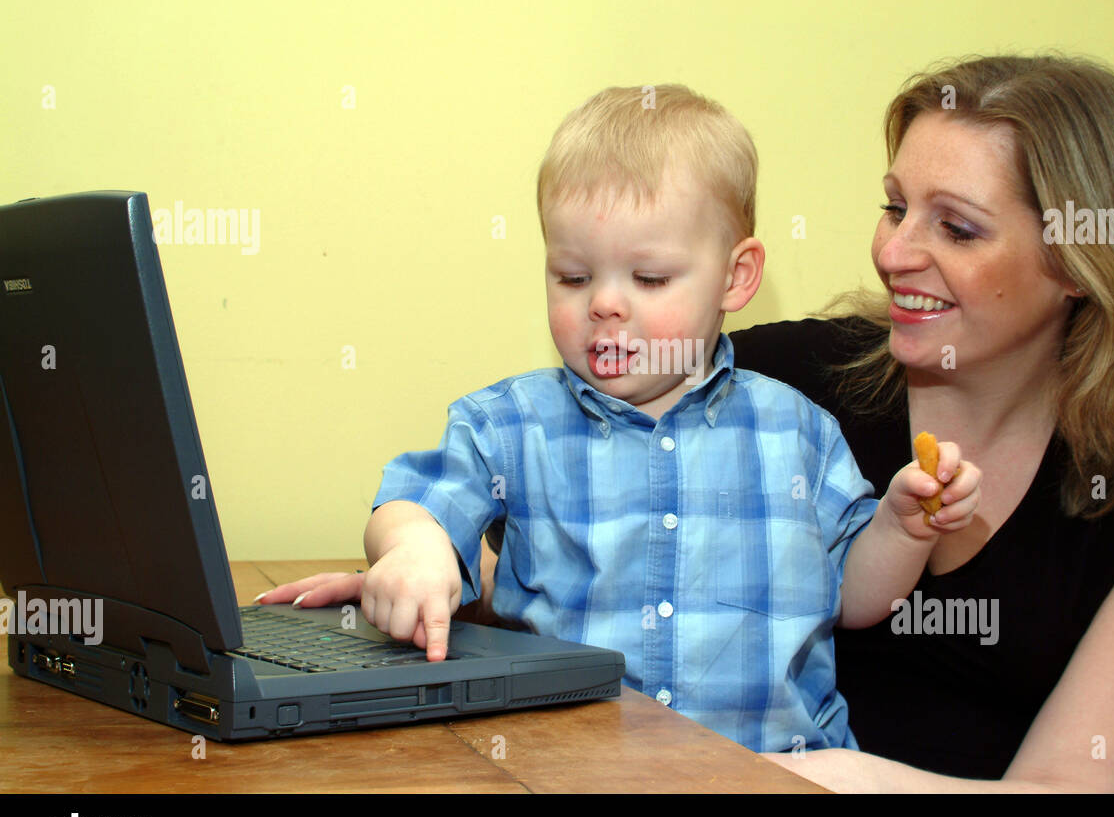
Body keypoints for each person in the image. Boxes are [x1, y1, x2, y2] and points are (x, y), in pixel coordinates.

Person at [255, 84, 982, 754]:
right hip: (572, 768)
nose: (604, 303)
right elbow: (417, 501)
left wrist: (902, 526)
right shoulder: (513, 424)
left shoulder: (796, 429)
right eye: (573, 277)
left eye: (649, 278)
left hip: (775, 772)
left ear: (737, 277)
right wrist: (414, 549)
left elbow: (854, 597)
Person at [729, 54, 1114, 790]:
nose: (894, 253)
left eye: (957, 228)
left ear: (1079, 263)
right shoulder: (774, 386)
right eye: (896, 207)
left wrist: (847, 781)